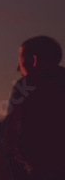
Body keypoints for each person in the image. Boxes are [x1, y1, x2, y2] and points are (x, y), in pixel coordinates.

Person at [4, 35, 65, 179]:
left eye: (21, 57)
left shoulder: (25, 86)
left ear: (35, 60)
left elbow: (11, 128)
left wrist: (8, 151)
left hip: (38, 165)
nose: (19, 67)